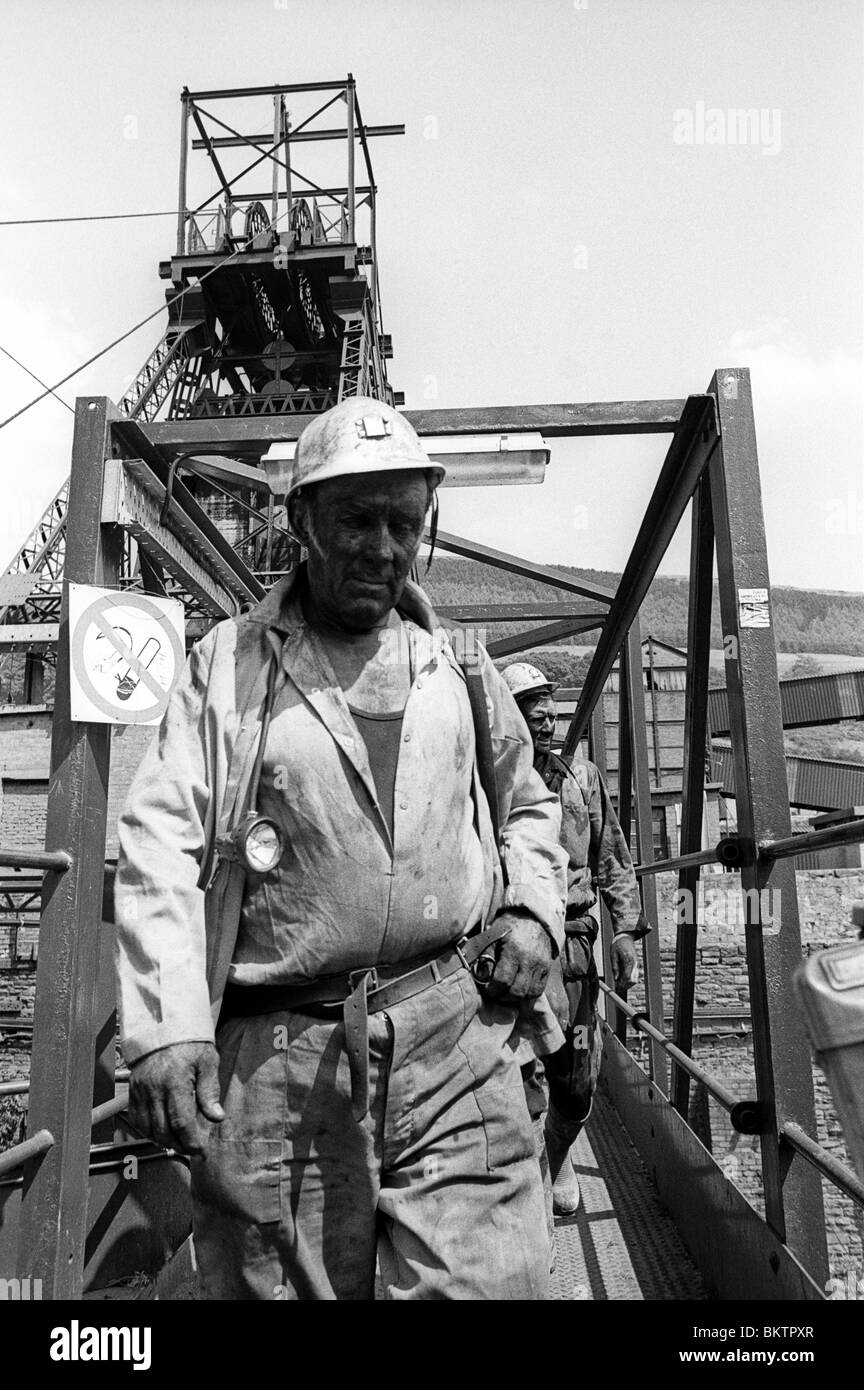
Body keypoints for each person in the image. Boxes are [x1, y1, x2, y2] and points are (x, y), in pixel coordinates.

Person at [114, 398, 569, 1301]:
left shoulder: (460, 665)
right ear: (302, 523)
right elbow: (159, 841)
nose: (384, 548)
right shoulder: (225, 667)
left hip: (455, 1037)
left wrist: (531, 907)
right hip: (283, 1065)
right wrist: (167, 1030)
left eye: (406, 523)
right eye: (358, 519)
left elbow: (529, 803)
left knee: (490, 1285)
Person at [501, 661, 649, 1216]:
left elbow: (612, 858)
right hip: (515, 950)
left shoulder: (581, 778)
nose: (545, 714)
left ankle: (558, 1155)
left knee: (577, 1079)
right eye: (529, 704)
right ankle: (533, 1181)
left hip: (577, 950)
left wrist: (628, 928)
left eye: (548, 702)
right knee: (523, 1073)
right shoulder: (488, 781)